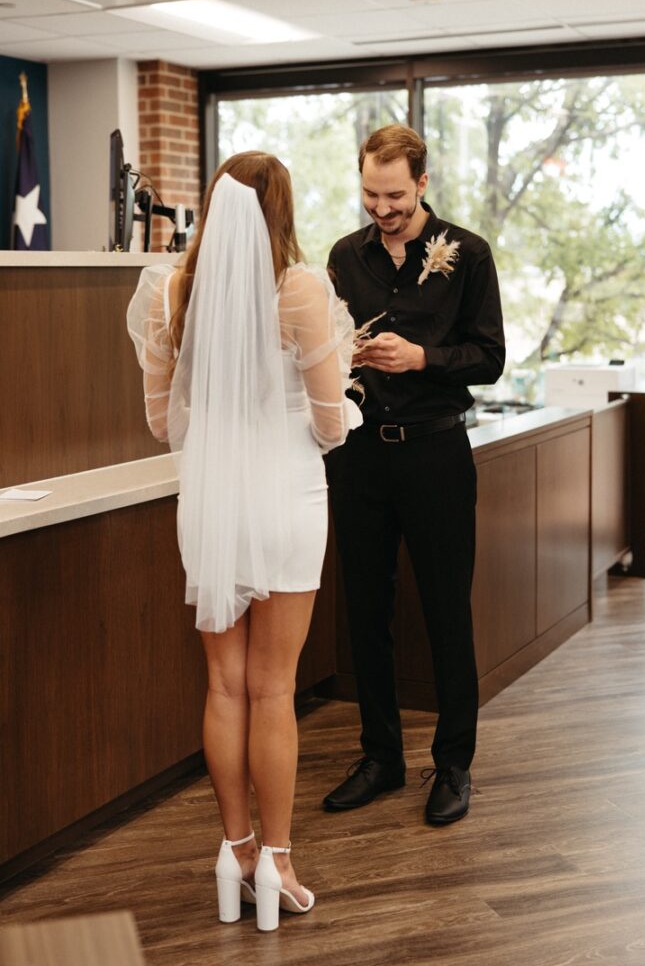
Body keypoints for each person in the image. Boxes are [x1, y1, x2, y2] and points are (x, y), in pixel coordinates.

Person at [126, 151, 361, 931]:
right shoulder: (299, 289)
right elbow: (329, 428)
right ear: (281, 211)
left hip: (211, 501)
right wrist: (340, 390)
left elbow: (166, 425)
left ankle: (235, 849)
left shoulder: (173, 290)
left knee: (224, 685)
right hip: (285, 497)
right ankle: (280, 863)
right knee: (274, 688)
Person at [323, 124, 505, 826]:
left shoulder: (469, 255)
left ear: (422, 184)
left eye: (395, 194)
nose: (382, 207)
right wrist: (345, 354)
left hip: (436, 454)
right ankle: (381, 757)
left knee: (444, 613)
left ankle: (454, 766)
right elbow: (326, 346)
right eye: (370, 193)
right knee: (365, 611)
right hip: (361, 457)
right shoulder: (344, 256)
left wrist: (423, 359)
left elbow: (489, 358)